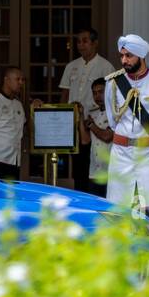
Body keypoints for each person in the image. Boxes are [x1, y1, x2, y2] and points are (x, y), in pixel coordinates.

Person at [104, 33, 149, 219]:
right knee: (121, 213)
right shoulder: (113, 82)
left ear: (141, 56)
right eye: (122, 56)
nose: (124, 60)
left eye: (129, 56)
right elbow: (113, 121)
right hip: (121, 153)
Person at [59, 26, 115, 192]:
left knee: (93, 161)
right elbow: (65, 93)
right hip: (74, 123)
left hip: (96, 122)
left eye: (85, 41)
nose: (81, 45)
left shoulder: (106, 67)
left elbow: (112, 96)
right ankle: (80, 196)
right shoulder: (71, 66)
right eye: (78, 41)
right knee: (78, 166)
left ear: (95, 43)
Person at [84, 76, 113, 196]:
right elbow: (85, 140)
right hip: (94, 171)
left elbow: (107, 137)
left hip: (110, 171)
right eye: (94, 93)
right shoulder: (93, 113)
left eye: (101, 92)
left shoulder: (115, 114)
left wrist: (91, 125)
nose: (97, 96)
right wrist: (81, 117)